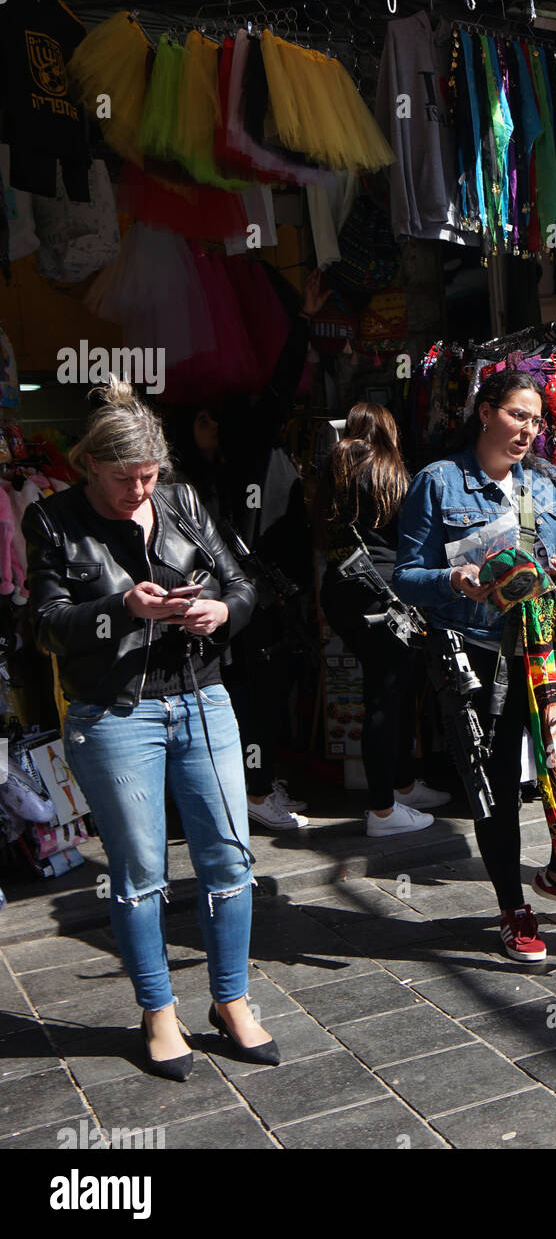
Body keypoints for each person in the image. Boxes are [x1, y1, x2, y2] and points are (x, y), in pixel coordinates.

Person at [22, 380, 280, 1080]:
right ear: (88, 466)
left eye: (147, 476)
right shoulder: (52, 521)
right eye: (122, 479)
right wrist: (121, 608)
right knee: (140, 873)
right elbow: (44, 629)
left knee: (229, 858)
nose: (138, 490)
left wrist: (222, 614)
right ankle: (159, 1012)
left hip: (202, 697)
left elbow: (244, 581)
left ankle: (232, 1001)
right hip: (114, 714)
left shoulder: (183, 499)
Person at [394, 370, 556, 961]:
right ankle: (513, 908)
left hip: (552, 652)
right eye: (517, 415)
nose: (528, 429)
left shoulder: (547, 481)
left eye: (536, 420)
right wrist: (452, 579)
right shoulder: (438, 482)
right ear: (485, 412)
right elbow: (405, 577)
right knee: (497, 788)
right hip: (483, 660)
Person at [166, 268, 325, 833]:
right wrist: (302, 324)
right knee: (257, 693)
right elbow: (281, 387)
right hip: (252, 601)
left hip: (251, 599)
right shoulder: (244, 451)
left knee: (255, 693)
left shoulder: (216, 470)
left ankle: (256, 782)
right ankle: (256, 791)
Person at [317, 403, 448, 835]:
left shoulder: (333, 465)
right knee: (388, 696)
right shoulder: (390, 466)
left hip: (343, 588)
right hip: (386, 592)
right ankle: (383, 810)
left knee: (392, 688)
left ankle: (402, 785)